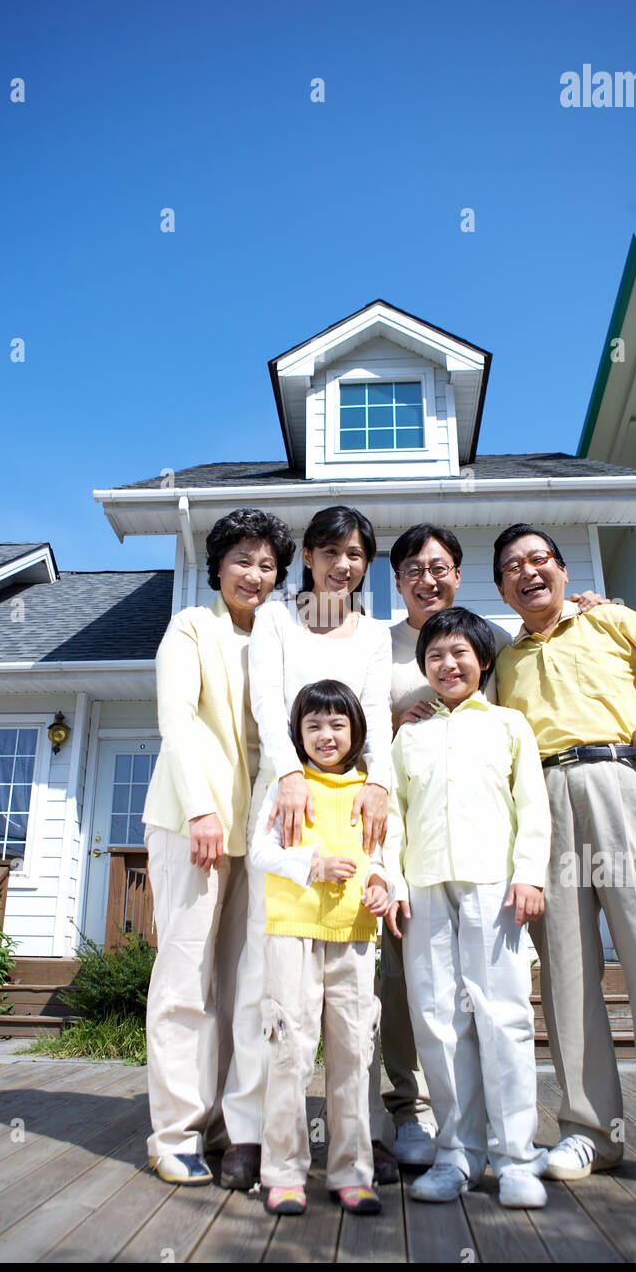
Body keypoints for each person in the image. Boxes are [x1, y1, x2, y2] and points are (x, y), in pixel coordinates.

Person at [493, 523, 636, 1200]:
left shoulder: (611, 618)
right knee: (566, 971)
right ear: (504, 589)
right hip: (544, 803)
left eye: (539, 559)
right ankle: (590, 1131)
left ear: (561, 572)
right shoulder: (504, 663)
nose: (528, 571)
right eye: (512, 567)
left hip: (622, 783)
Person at [371, 522, 608, 1177]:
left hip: (490, 869)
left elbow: (531, 801)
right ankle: (434, 1132)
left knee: (499, 1007)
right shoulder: (389, 677)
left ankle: (509, 1147)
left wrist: (587, 607)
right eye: (414, 568)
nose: (429, 577)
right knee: (425, 1007)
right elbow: (383, 791)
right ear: (398, 581)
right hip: (421, 873)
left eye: (441, 565)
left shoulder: (501, 685)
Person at [222, 505, 392, 1191]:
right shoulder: (276, 620)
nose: (341, 564)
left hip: (351, 789)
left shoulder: (375, 633)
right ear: (311, 559)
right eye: (329, 552)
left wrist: (378, 781)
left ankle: (354, 1153)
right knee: (267, 979)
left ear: (364, 562)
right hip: (285, 789)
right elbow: (268, 699)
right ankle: (249, 1132)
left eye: (354, 553)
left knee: (349, 991)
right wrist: (289, 772)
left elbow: (374, 710)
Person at [143, 508, 295, 1185]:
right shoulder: (191, 627)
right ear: (218, 566)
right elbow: (175, 720)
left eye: (267, 565)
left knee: (242, 983)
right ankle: (175, 1131)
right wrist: (203, 808)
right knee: (185, 977)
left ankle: (231, 1125)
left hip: (255, 834)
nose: (255, 575)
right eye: (243, 560)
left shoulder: (279, 635)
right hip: (191, 823)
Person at [383, 607, 552, 1209]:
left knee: (502, 1015)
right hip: (425, 887)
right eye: (434, 656)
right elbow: (395, 818)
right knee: (436, 1017)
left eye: (459, 654)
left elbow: (533, 808)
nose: (447, 664)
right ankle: (456, 1153)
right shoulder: (410, 735)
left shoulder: (509, 725)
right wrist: (396, 884)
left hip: (495, 885)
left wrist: (529, 875)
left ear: (482, 660)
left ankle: (515, 1158)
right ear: (423, 667)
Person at [251, 681, 389, 1215]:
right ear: (298, 734)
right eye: (313, 725)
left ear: (355, 730)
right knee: (290, 1052)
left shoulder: (372, 790)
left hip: (355, 935)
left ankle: (352, 1172)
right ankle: (283, 1172)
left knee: (354, 1054)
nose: (326, 735)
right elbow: (260, 850)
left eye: (337, 724)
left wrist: (382, 886)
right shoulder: (289, 785)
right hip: (293, 932)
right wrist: (312, 864)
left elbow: (383, 855)